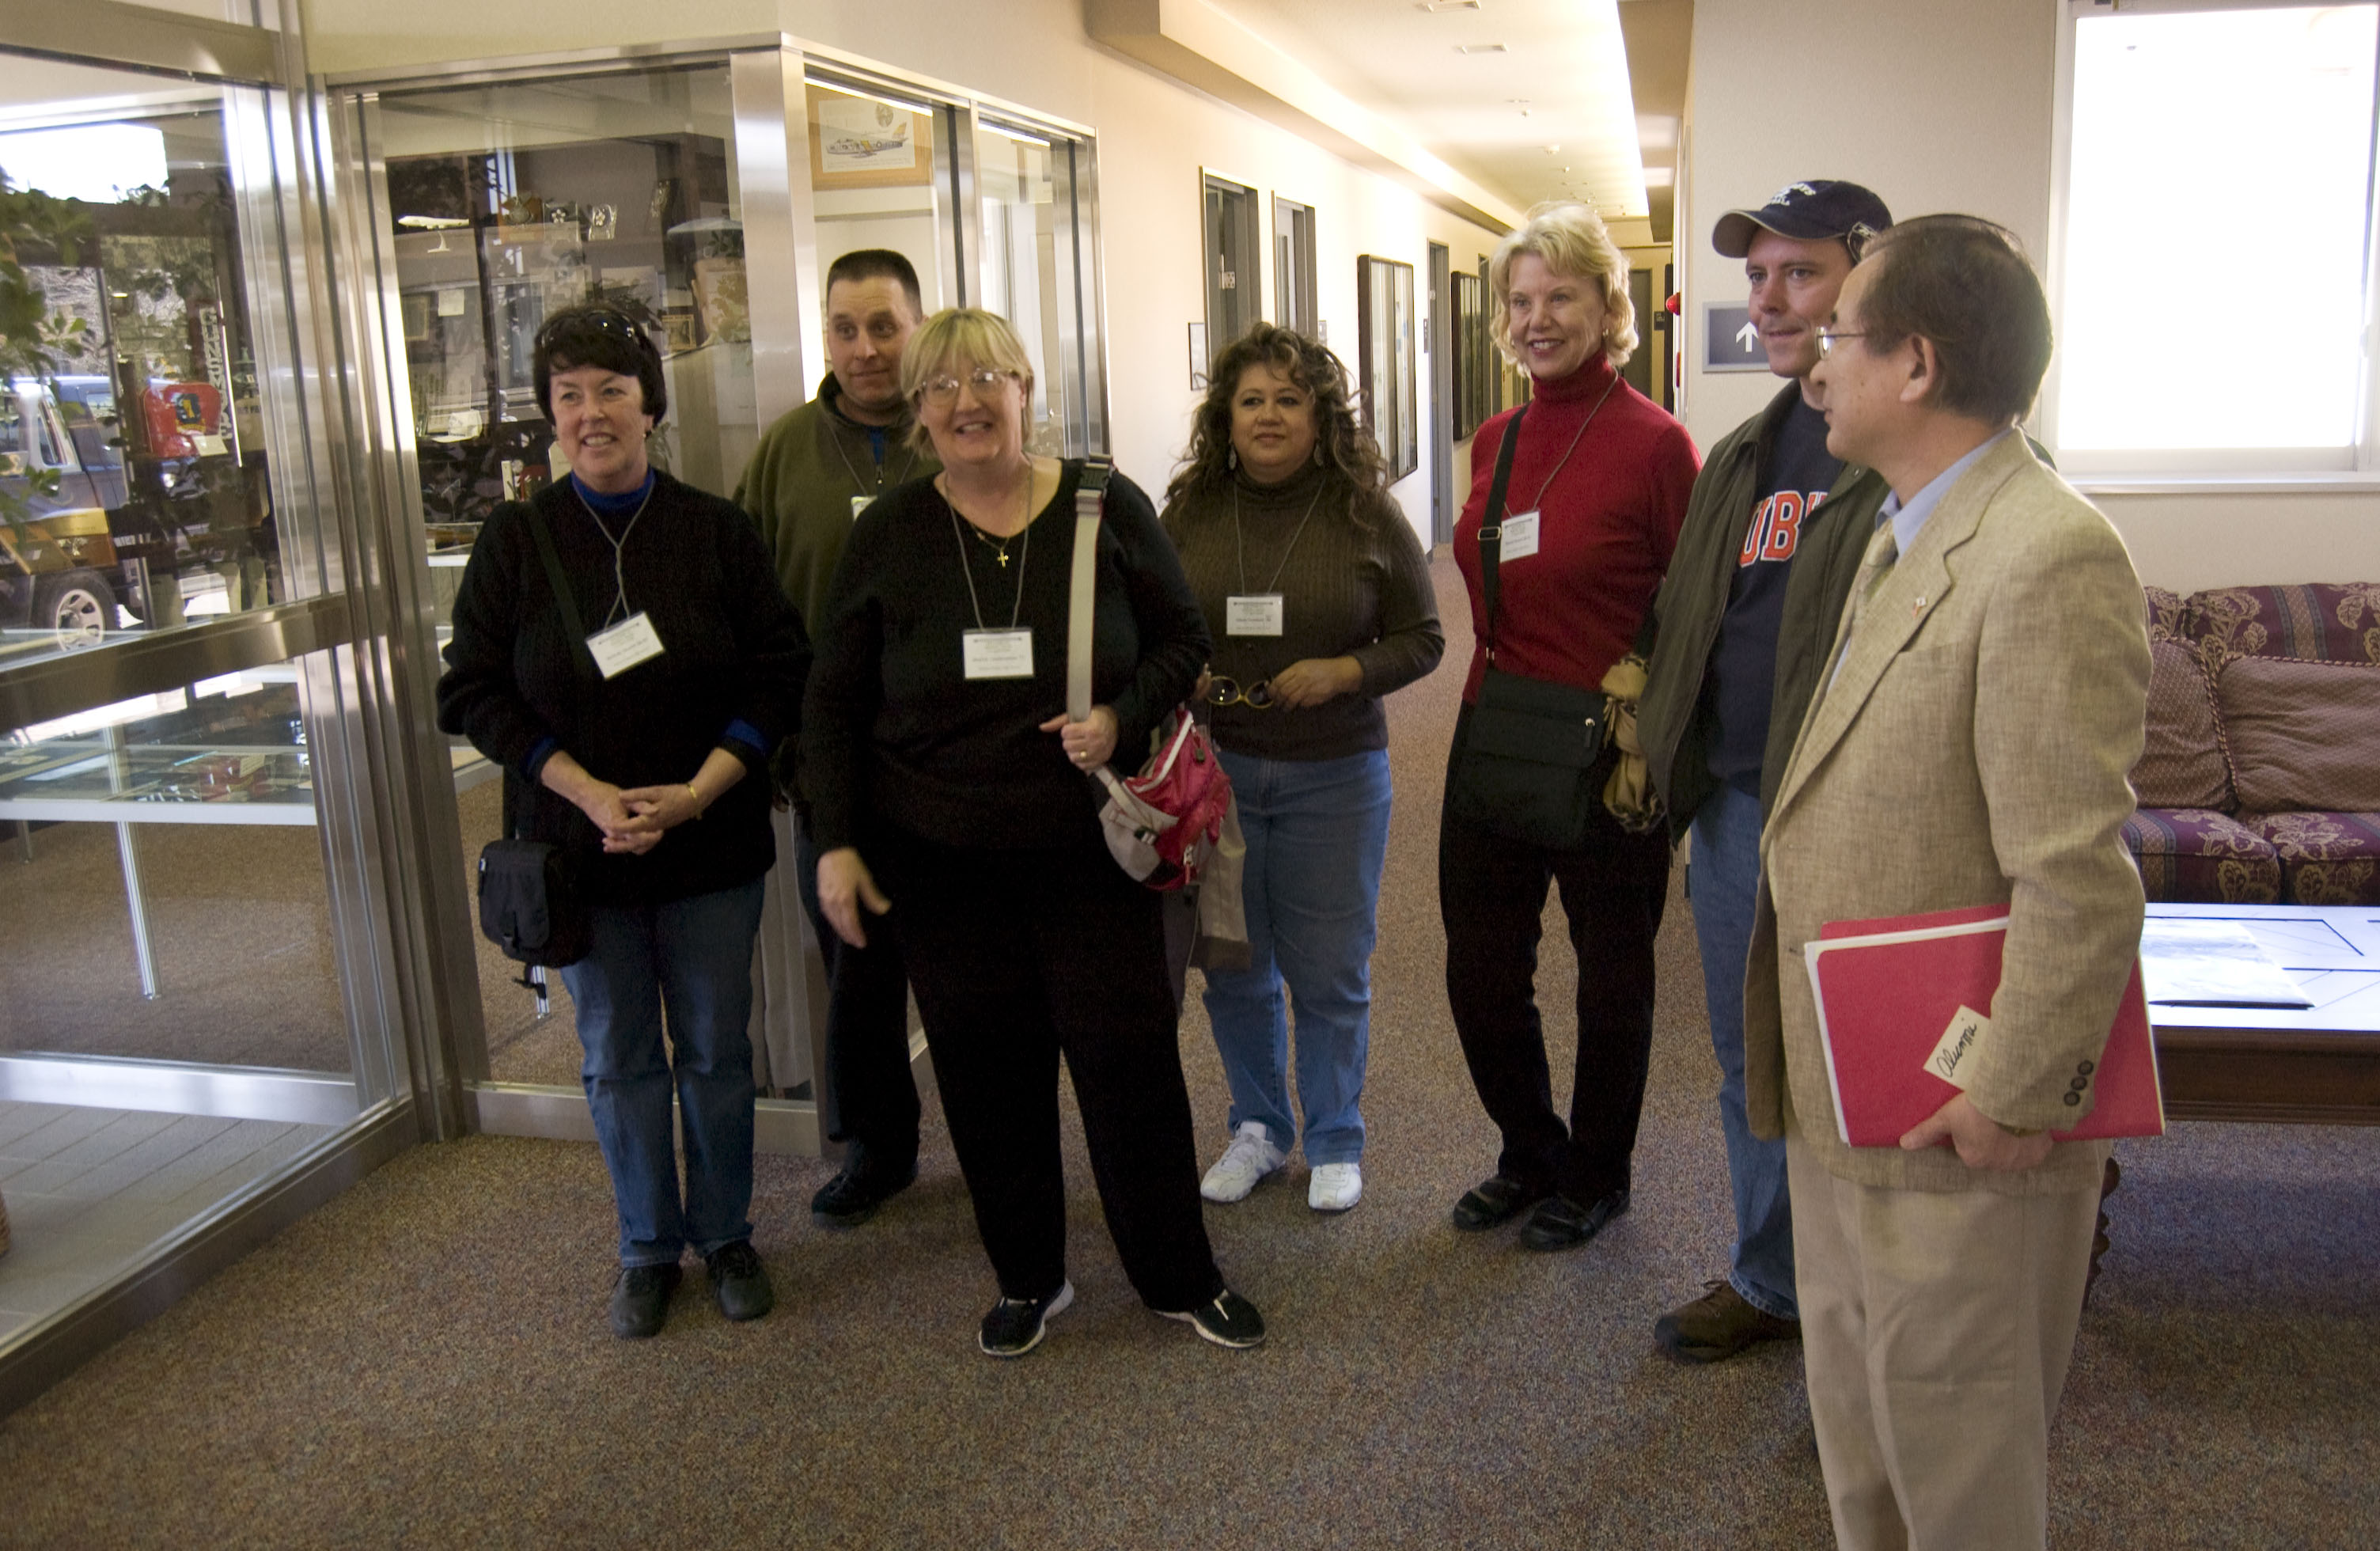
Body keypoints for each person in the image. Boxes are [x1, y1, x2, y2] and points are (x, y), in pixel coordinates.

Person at [1750, 215, 2148, 1549]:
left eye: (1841, 334)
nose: (1814, 361)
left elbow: (2075, 877)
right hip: (1852, 1097)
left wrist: (2010, 1099)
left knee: (1959, 1481)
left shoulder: (2046, 552)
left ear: (1912, 363)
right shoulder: (1901, 529)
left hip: (1964, 1130)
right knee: (1864, 1449)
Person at [802, 307, 1264, 1358]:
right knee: (982, 1070)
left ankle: (1178, 1274)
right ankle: (1029, 1275)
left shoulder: (1104, 503)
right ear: (917, 413)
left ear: (1025, 388)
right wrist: (835, 838)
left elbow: (1184, 637)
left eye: (986, 378)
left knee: (1128, 1064)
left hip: (1085, 851)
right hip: (940, 859)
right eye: (940, 386)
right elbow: (832, 700)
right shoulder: (890, 532)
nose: (966, 402)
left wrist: (1118, 720)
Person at [438, 304, 810, 1339]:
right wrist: (585, 790)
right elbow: (469, 693)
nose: (590, 413)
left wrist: (698, 789)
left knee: (713, 1049)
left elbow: (781, 672)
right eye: (567, 396)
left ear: (650, 403)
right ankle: (648, 1245)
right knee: (615, 1055)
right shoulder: (516, 542)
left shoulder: (714, 532)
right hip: (577, 854)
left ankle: (727, 1233)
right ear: (548, 417)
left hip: (709, 844)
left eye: (610, 389)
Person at [1635, 180, 1893, 1363]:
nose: (1770, 299)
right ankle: (1773, 1277)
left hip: (1856, 815)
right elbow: (1705, 614)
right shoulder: (1748, 448)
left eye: (1800, 273)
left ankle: (1872, 1305)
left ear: (1869, 274)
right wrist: (1666, 758)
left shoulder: (1902, 448)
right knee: (1752, 1058)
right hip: (1737, 803)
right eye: (1756, 276)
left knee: (1862, 1061)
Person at [1440, 202, 1700, 1251]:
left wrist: (1658, 741)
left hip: (1607, 754)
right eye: (1521, 301)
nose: (1538, 319)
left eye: (1561, 297)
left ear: (1609, 306)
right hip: (1492, 729)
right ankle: (1528, 1148)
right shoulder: (1498, 439)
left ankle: (1598, 1172)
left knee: (1612, 977)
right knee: (1481, 971)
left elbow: (1692, 613)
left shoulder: (1657, 444)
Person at [1161, 322, 1442, 1215]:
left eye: (1290, 399)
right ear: (1225, 418)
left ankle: (1332, 1136)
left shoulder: (1365, 512)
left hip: (1334, 773)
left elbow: (1425, 637)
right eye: (1252, 400)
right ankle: (1257, 1125)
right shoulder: (1190, 512)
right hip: (1218, 777)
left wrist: (1346, 671)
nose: (1270, 416)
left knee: (1328, 967)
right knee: (1234, 965)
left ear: (1320, 417)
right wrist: (1182, 668)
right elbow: (1152, 624)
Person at [733, 249, 937, 1230]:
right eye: (845, 329)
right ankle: (878, 1145)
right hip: (835, 767)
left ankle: (992, 1133)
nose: (864, 350)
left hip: (952, 764)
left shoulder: (954, 434)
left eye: (883, 326)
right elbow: (750, 615)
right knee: (858, 969)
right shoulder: (780, 456)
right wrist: (778, 744)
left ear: (918, 323)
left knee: (964, 961)